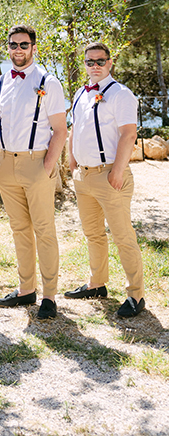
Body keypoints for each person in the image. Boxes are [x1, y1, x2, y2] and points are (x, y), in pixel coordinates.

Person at [0, 25, 67, 320]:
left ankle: (49, 296)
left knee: (44, 230)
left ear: (34, 47)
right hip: (6, 165)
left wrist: (47, 167)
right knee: (19, 229)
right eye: (13, 44)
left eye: (23, 44)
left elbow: (60, 130)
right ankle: (25, 290)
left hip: (37, 164)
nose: (18, 50)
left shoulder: (49, 82)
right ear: (8, 47)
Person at [65, 43, 145, 318]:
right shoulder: (80, 94)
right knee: (93, 234)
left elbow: (128, 135)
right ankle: (96, 284)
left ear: (110, 64)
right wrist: (72, 161)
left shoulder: (121, 95)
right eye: (89, 62)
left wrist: (118, 172)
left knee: (123, 236)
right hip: (84, 177)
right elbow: (75, 128)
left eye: (100, 61)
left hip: (110, 176)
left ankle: (136, 294)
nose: (95, 66)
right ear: (84, 65)